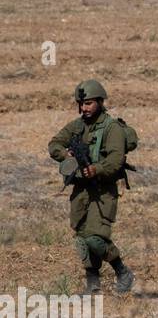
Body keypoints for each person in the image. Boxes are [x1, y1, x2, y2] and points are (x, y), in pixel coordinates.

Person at [47, 80, 134, 295]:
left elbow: (115, 160)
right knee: (82, 238)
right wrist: (65, 155)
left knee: (95, 238)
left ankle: (121, 270)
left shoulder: (112, 128)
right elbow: (54, 143)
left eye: (89, 103)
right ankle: (93, 282)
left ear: (100, 102)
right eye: (81, 104)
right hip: (81, 190)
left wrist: (96, 169)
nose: (84, 108)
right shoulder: (77, 126)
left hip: (103, 190)